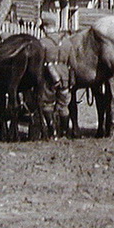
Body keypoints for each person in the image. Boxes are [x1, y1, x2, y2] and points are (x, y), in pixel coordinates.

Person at [37, 9, 72, 138]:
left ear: (46, 28)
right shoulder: (67, 42)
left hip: (49, 78)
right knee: (64, 105)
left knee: (48, 104)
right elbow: (72, 63)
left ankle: (53, 133)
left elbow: (40, 63)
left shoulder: (43, 43)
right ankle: (64, 132)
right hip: (65, 77)